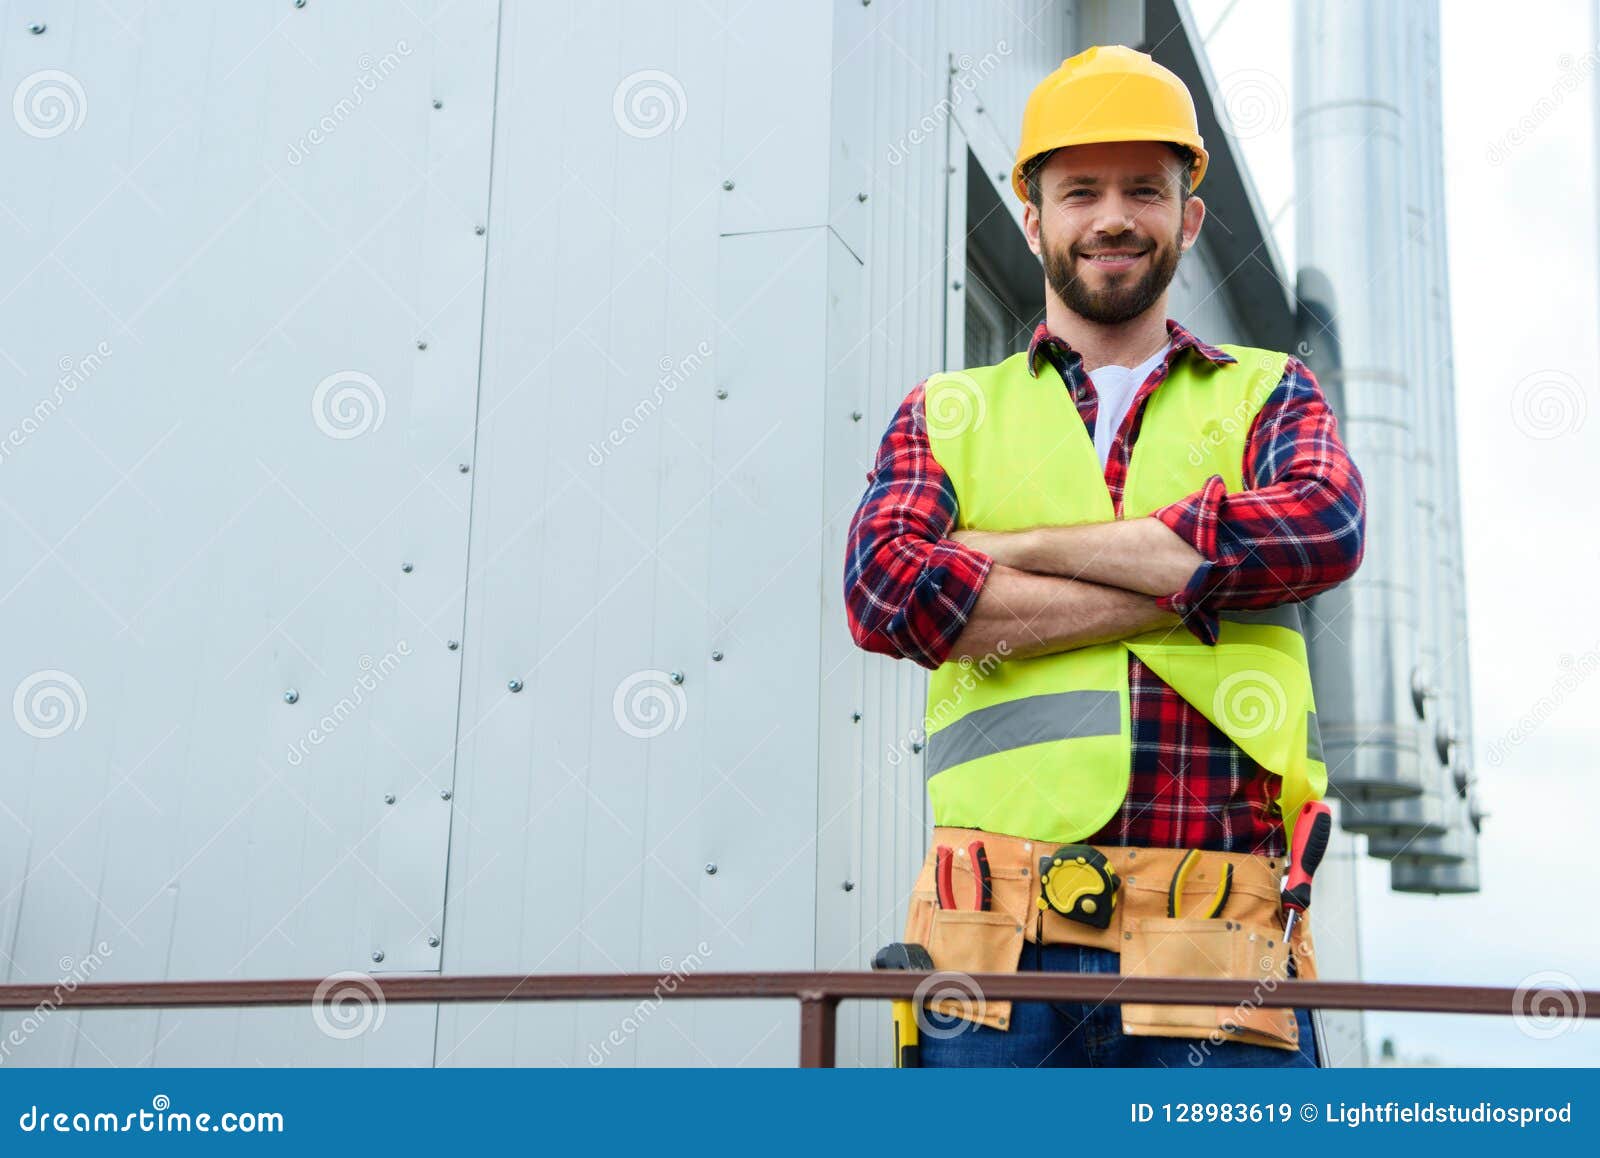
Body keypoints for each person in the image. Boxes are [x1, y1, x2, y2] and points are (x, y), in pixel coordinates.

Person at [842, 45, 1366, 1068]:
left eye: (1144, 190)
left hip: (1219, 942)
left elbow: (1318, 529)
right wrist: (1193, 579)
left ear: (1190, 217)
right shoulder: (947, 412)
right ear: (1034, 218)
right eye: (1079, 190)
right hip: (994, 950)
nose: (1112, 216)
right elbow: (886, 594)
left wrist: (1016, 550)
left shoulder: (1272, 392)